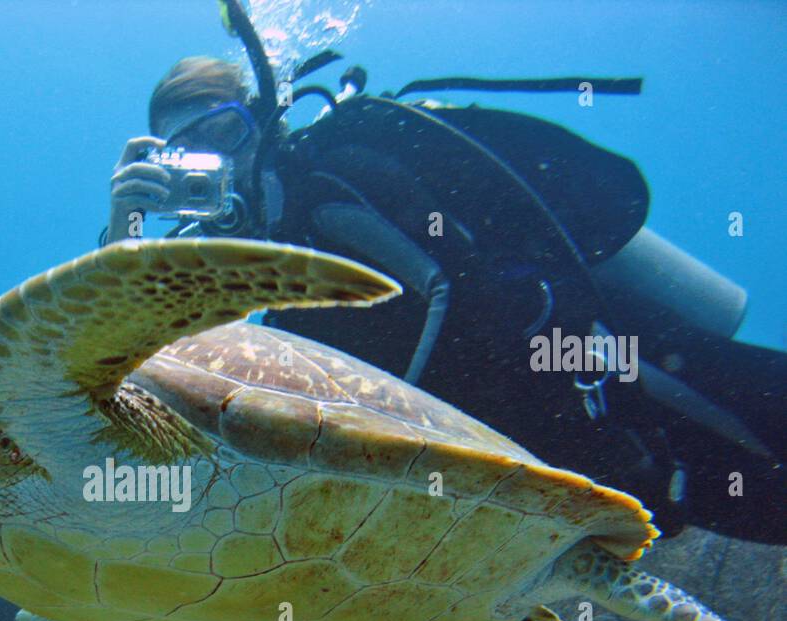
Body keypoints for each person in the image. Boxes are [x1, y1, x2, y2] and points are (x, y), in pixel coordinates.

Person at [103, 41, 787, 547]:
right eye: (182, 153)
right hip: (530, 438)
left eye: (222, 131)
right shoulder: (260, 250)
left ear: (265, 118)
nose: (213, 162)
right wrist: (122, 233)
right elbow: (136, 358)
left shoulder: (330, 181)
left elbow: (445, 292)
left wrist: (396, 456)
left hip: (597, 375)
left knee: (734, 439)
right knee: (711, 498)